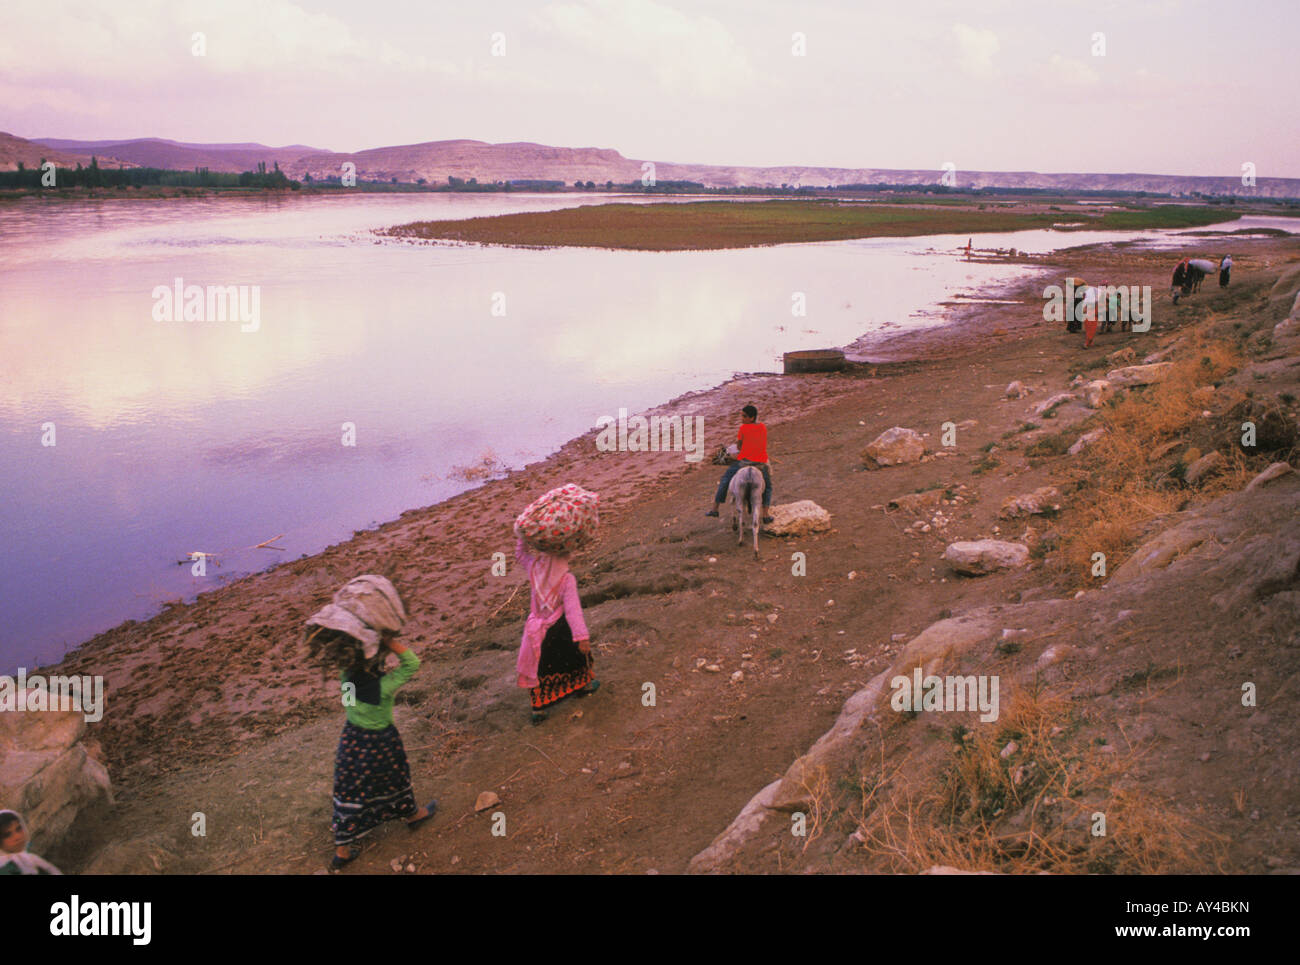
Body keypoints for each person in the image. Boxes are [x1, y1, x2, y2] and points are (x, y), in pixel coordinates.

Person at [515, 534, 597, 724]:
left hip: (536, 631)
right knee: (574, 659)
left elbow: (520, 554)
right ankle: (583, 686)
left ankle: (538, 709)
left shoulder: (535, 568)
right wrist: (582, 637)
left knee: (540, 668)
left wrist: (522, 535)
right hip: (560, 629)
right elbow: (573, 611)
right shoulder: (567, 579)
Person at [707, 405, 773, 523]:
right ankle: (766, 514)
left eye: (744, 416)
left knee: (725, 480)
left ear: (752, 418)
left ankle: (715, 508)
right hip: (761, 462)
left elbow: (739, 446)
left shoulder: (743, 428)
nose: (742, 418)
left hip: (744, 462)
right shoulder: (763, 427)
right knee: (767, 487)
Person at [0, 810, 63, 875]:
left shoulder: (31, 858)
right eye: (7, 835)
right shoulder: (4, 869)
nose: (17, 837)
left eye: (18, 829)